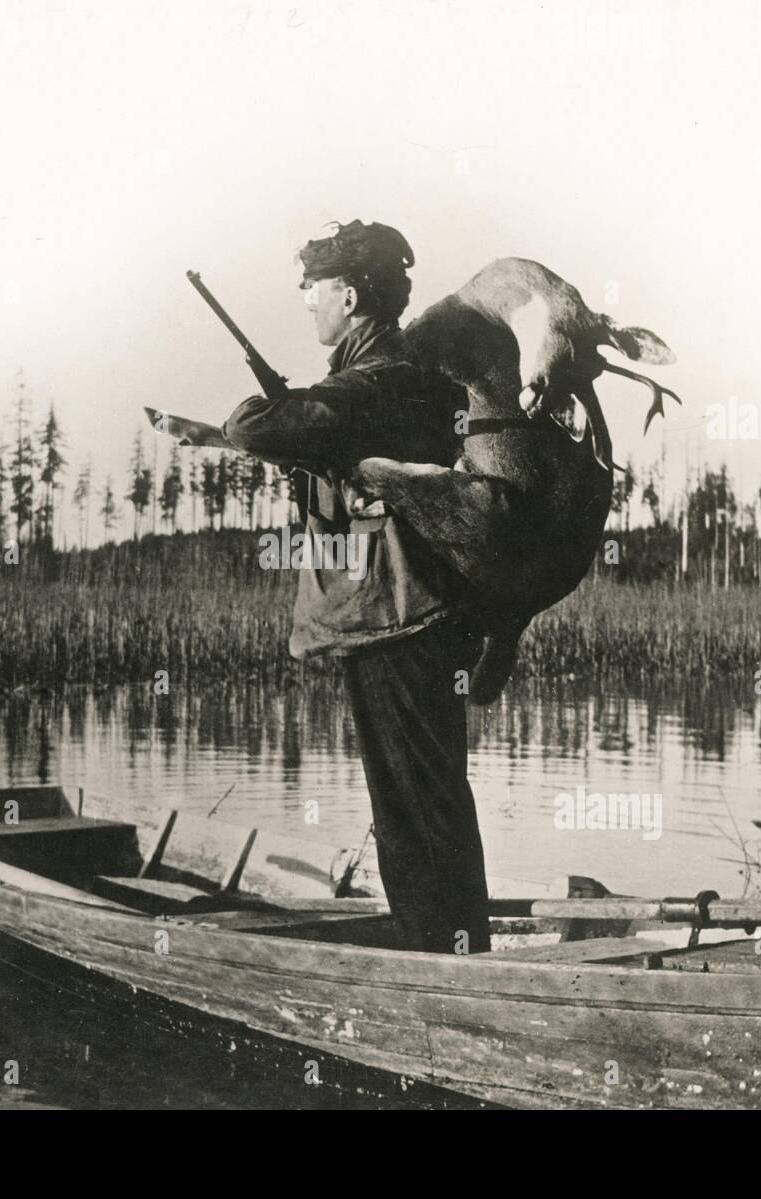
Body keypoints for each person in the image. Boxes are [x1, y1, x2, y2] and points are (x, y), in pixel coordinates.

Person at [222, 220, 491, 954]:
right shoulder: (410, 379)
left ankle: (441, 964)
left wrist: (295, 418)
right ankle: (451, 946)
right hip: (420, 614)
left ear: (349, 294)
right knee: (426, 797)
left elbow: (253, 424)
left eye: (315, 287)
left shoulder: (378, 381)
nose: (307, 299)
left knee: (413, 805)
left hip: (399, 618)